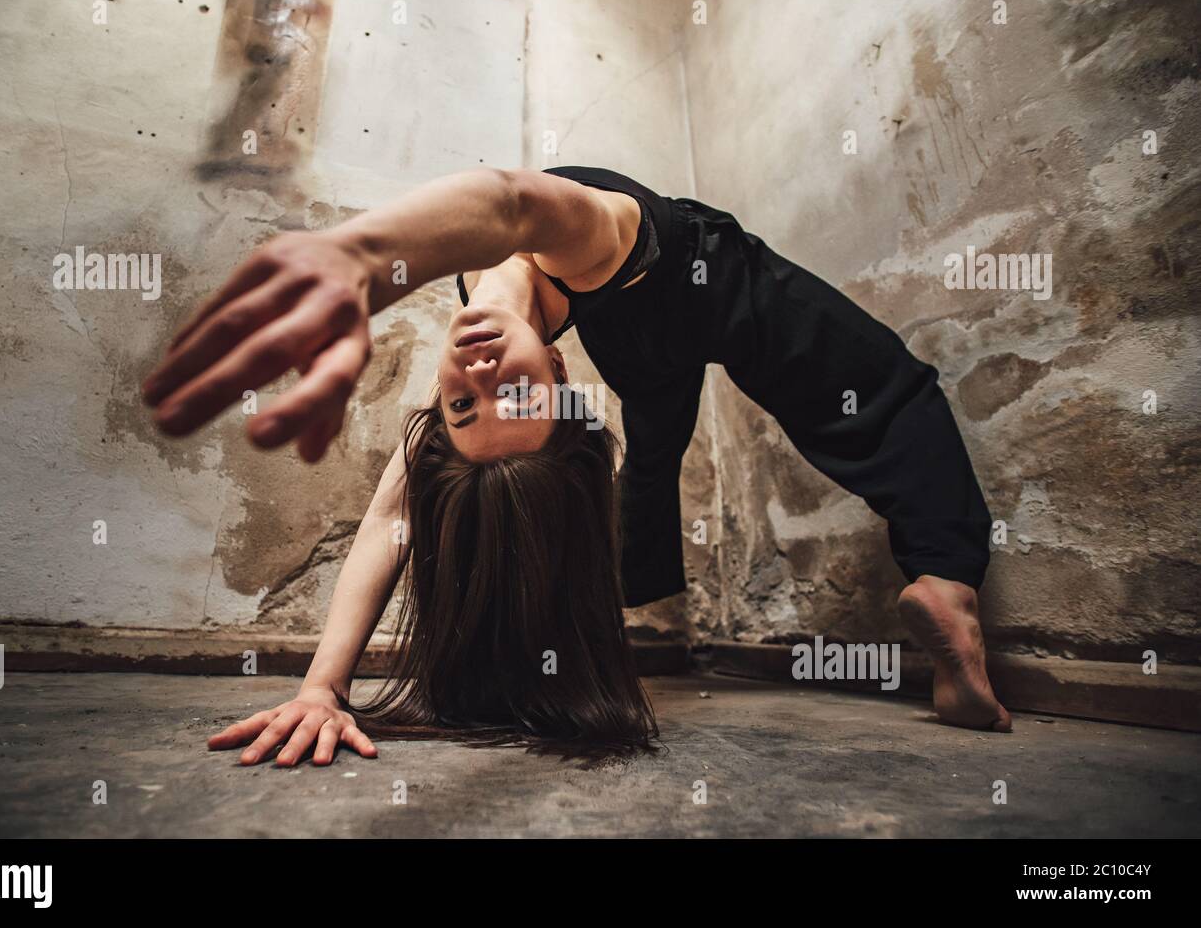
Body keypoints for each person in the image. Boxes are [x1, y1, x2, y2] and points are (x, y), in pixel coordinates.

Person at [141, 165, 1011, 765]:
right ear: (560, 377)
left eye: (463, 407)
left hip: (684, 285)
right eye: (511, 402)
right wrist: (321, 689)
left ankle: (937, 584)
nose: (478, 380)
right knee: (806, 404)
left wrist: (363, 254)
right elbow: (391, 523)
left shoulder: (555, 257)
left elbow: (515, 200)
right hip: (665, 313)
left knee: (834, 390)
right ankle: (946, 583)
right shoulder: (580, 260)